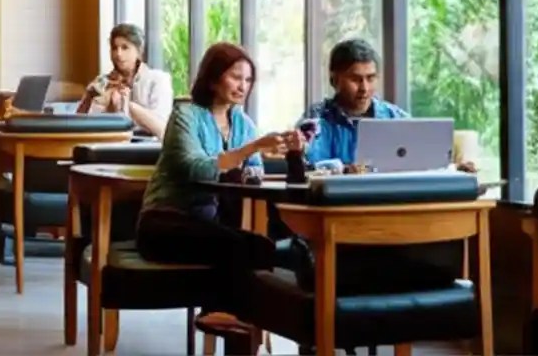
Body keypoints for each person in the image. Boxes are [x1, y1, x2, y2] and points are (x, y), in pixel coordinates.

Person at [134, 42, 286, 317]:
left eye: (248, 79)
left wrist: (287, 152)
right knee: (250, 249)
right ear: (214, 79)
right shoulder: (185, 115)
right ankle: (224, 319)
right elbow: (194, 168)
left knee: (257, 247)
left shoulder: (243, 123)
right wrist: (250, 149)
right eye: (236, 77)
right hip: (165, 224)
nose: (243, 86)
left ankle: (224, 320)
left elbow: (255, 174)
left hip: (212, 225)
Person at [297, 38, 475, 173]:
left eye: (371, 78)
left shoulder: (395, 117)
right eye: (355, 79)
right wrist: (343, 170)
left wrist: (454, 169)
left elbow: (423, 163)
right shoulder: (317, 118)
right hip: (336, 207)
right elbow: (306, 169)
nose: (364, 88)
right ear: (334, 80)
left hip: (390, 204)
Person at [76, 23, 173, 138]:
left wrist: (128, 105)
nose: (118, 54)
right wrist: (88, 98)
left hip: (147, 148)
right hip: (108, 145)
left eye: (125, 47)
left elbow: (161, 129)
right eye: (114, 48)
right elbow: (81, 128)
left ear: (139, 51)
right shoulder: (103, 82)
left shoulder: (157, 80)